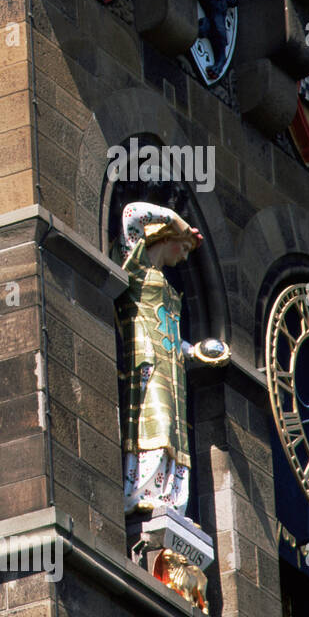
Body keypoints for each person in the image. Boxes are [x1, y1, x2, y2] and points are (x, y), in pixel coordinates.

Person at [117, 201, 229, 514]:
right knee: (154, 422)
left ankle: (168, 499)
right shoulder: (136, 264)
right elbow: (132, 214)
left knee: (173, 430)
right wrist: (177, 220)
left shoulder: (167, 285)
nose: (183, 257)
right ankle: (138, 492)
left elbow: (169, 334)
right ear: (167, 238)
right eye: (183, 248)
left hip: (170, 365)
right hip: (145, 357)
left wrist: (192, 351)